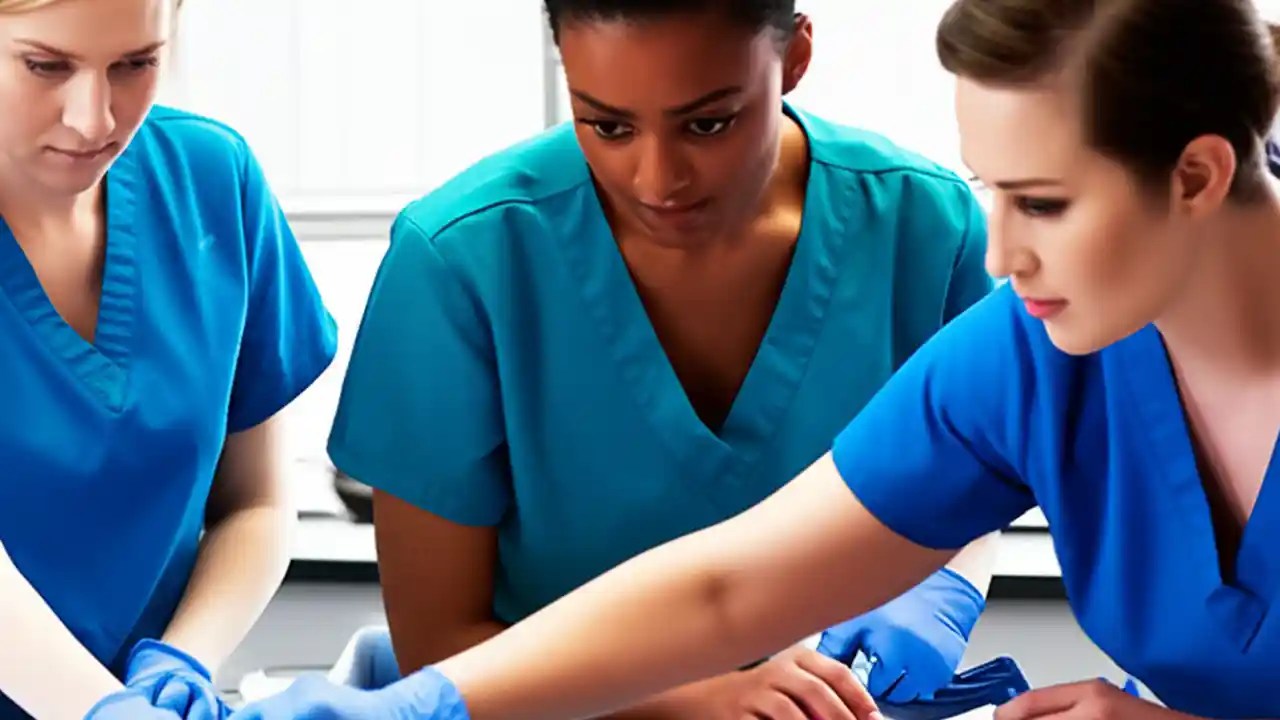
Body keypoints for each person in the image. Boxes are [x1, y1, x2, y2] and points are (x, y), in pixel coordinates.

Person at [232, 0, 1280, 718]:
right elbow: (730, 589)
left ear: (1194, 176)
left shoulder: (1006, 285)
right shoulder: (1036, 347)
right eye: (990, 191)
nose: (1000, 254)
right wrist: (426, 703)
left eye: (1042, 203)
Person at [320, 0, 1000, 716]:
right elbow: (437, 652)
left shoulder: (926, 225)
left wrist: (944, 586)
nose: (657, 181)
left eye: (708, 124)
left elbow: (977, 475)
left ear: (795, 58)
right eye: (608, 126)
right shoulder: (462, 259)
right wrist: (699, 704)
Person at [0, 0, 337, 718]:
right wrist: (98, 707)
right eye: (45, 66)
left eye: (136, 64)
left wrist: (181, 659)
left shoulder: (212, 181)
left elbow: (255, 501)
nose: (93, 119)